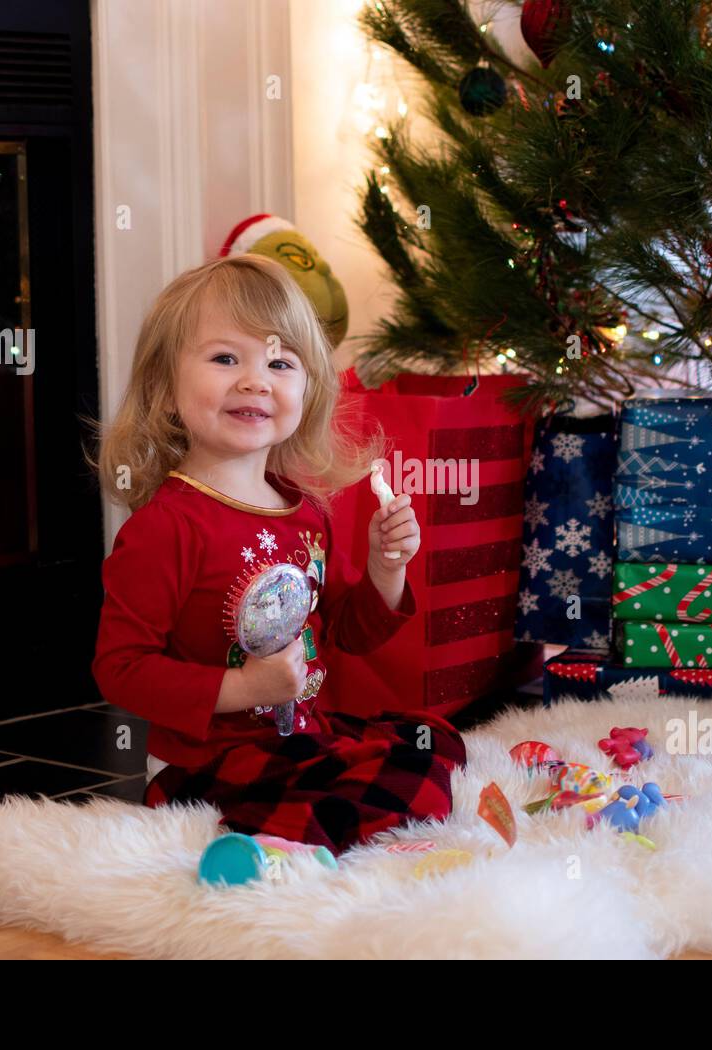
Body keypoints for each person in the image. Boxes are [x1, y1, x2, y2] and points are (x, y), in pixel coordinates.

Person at [91, 255, 465, 853]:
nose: (255, 380)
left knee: (432, 741)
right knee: (399, 792)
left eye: (279, 362)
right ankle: (267, 852)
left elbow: (343, 632)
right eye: (224, 358)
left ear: (306, 391)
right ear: (164, 390)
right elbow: (121, 670)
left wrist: (384, 570)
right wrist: (245, 687)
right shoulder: (167, 527)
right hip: (207, 765)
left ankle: (317, 830)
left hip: (299, 741)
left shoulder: (305, 511)